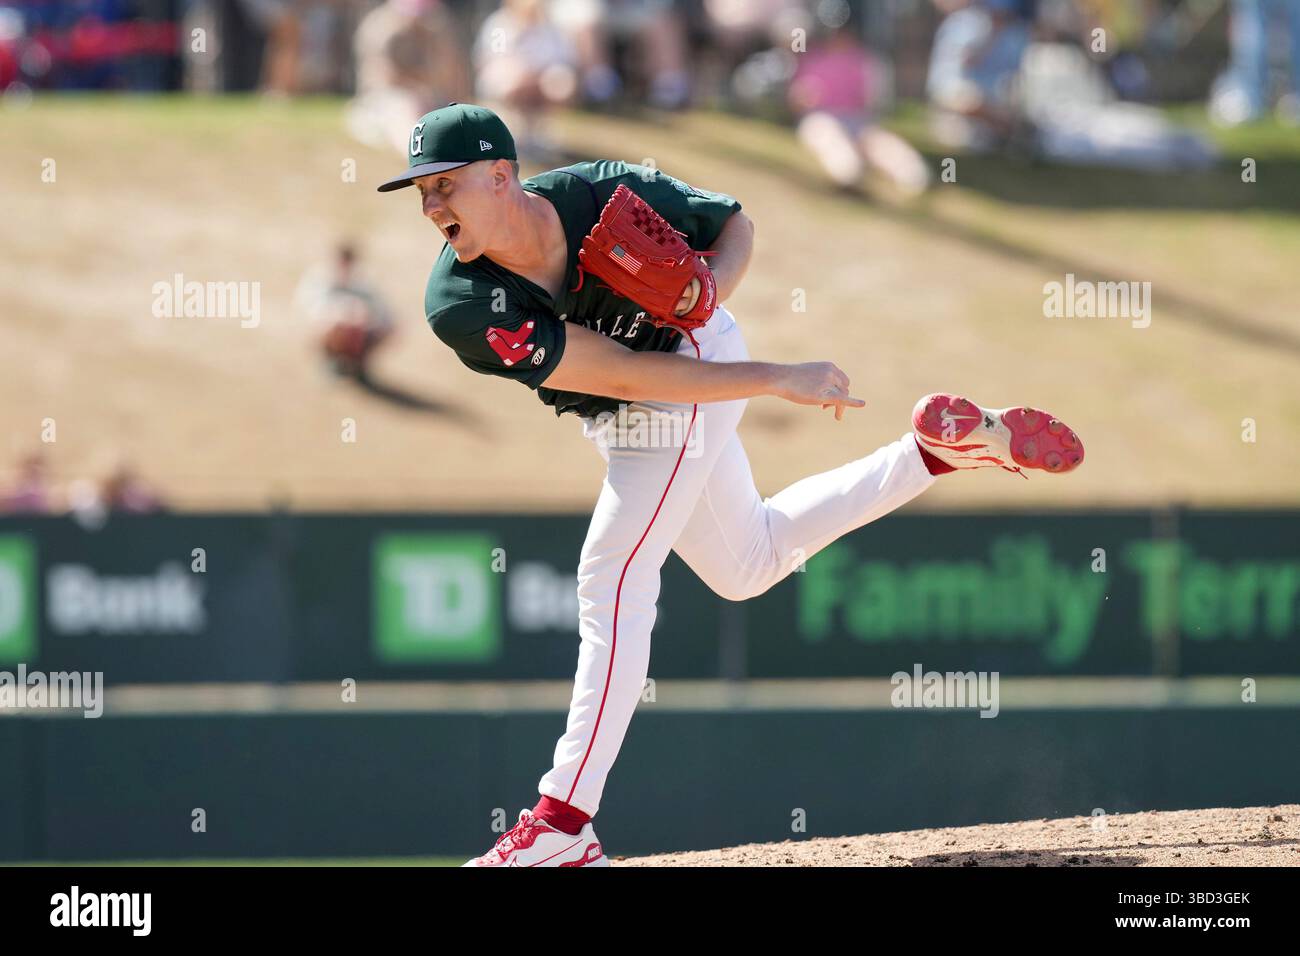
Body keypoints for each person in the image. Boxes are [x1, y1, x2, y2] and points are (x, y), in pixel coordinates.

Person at [376, 103, 1084, 867]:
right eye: (421, 192)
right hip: (633, 398)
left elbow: (734, 223)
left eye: (445, 183)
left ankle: (560, 822)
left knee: (612, 577)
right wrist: (777, 378)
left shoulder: (602, 192)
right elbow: (623, 372)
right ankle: (935, 454)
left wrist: (706, 290)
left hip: (692, 369)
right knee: (749, 564)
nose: (431, 205)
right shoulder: (460, 304)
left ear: (503, 174)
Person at [294, 243, 396, 379]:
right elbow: (309, 309)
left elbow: (384, 313)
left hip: (360, 331)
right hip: (328, 329)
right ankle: (332, 360)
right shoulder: (319, 279)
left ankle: (359, 362)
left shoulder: (363, 284)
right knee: (337, 327)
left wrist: (364, 317)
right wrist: (342, 315)